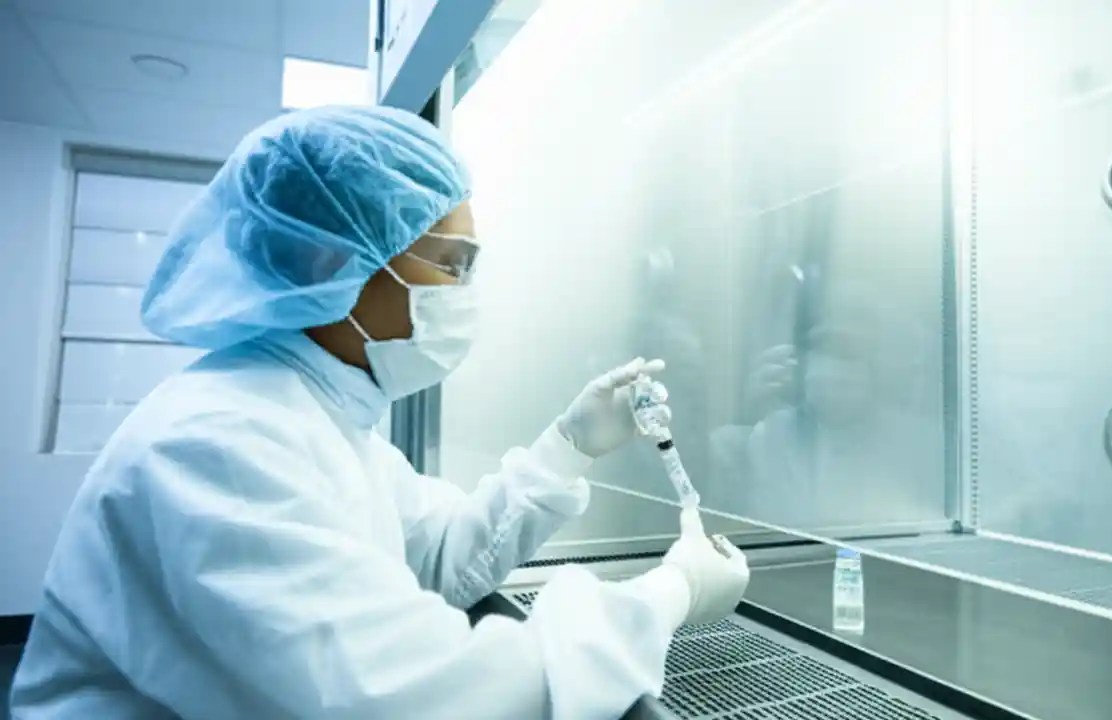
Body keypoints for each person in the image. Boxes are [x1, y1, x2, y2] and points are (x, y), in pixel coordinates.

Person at [10, 106, 749, 719]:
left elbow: (440, 556)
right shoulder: (222, 443)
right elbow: (433, 698)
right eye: (452, 263)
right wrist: (671, 593)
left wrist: (569, 445)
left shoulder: (314, 416)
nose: (465, 290)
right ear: (334, 263)